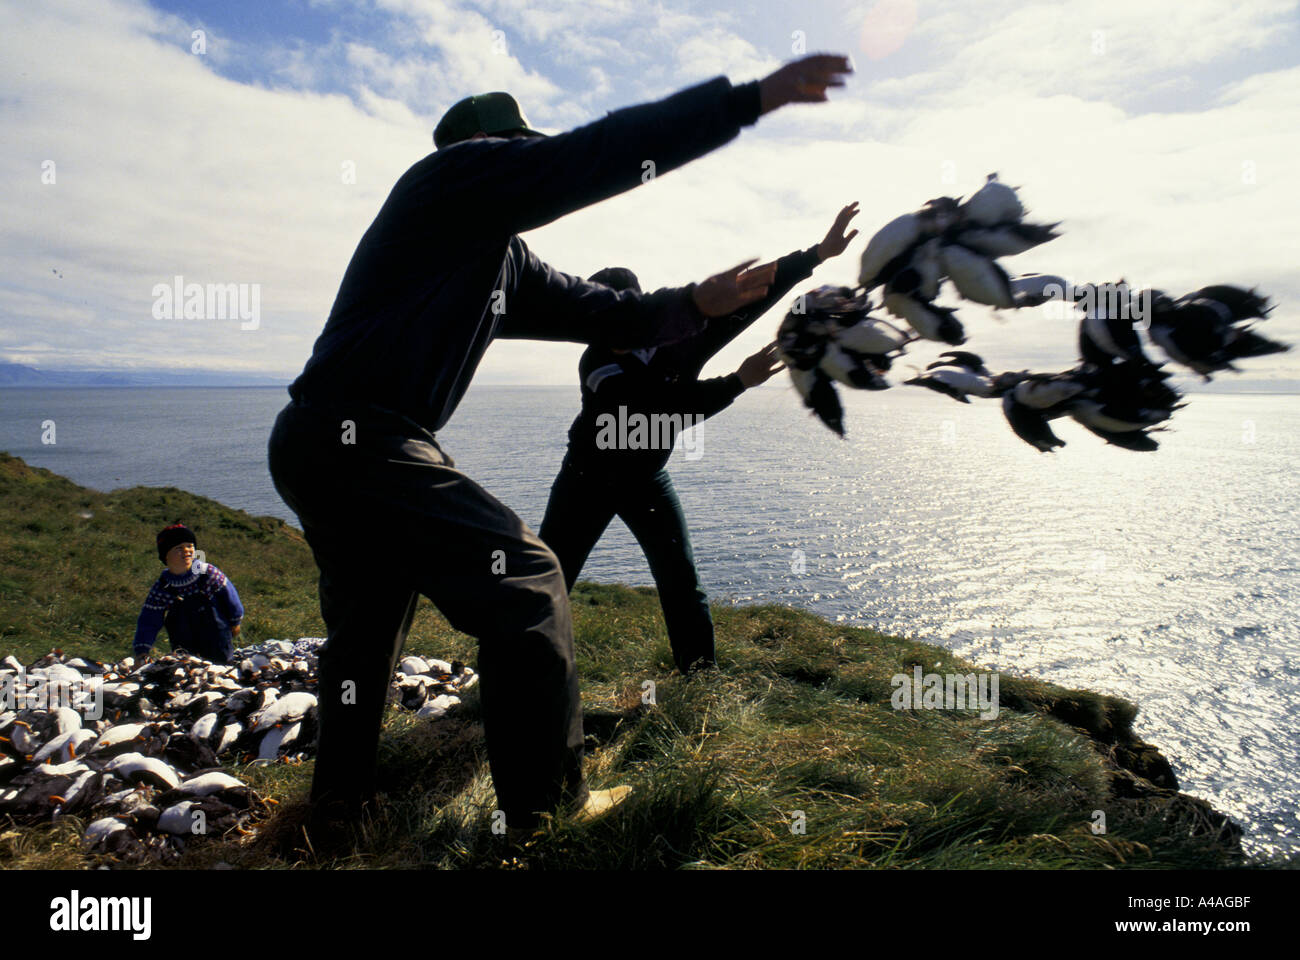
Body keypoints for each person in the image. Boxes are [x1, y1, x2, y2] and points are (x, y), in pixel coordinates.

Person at [265, 53, 854, 839]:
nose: (524, 168)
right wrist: (742, 102)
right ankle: (549, 812)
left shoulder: (499, 259)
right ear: (488, 152)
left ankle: (333, 818)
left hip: (324, 443)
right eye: (518, 153)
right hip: (359, 437)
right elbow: (591, 156)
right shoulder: (448, 184)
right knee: (530, 579)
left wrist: (695, 301)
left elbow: (608, 310)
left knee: (369, 629)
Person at [539, 204, 860, 673]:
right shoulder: (597, 366)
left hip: (646, 478)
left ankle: (699, 681)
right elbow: (656, 413)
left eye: (621, 314)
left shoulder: (676, 338)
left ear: (640, 309)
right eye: (600, 319)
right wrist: (738, 382)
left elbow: (744, 298)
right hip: (586, 480)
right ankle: (518, 675)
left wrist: (816, 255)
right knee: (551, 578)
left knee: (680, 581)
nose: (610, 328)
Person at [133, 522, 244, 663]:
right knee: (189, 674)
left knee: (221, 671)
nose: (187, 551)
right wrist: (142, 650)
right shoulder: (163, 587)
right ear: (165, 555)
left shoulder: (208, 573)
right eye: (179, 548)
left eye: (190, 546)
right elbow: (149, 620)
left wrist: (235, 622)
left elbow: (231, 598)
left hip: (218, 644)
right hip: (184, 650)